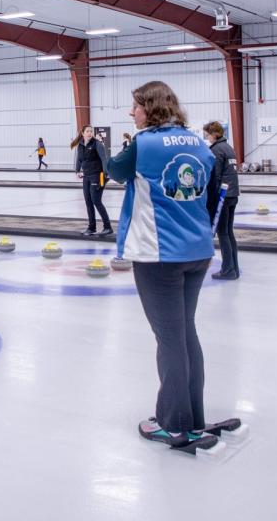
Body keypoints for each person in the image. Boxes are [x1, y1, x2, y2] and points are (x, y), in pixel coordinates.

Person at [107, 80, 217, 453]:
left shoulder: (142, 143)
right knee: (186, 334)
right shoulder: (198, 141)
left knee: (170, 340)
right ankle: (192, 416)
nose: (131, 112)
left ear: (150, 108)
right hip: (197, 250)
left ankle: (173, 424)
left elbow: (114, 171)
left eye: (135, 106)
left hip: (159, 255)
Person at [204, 121, 240, 280]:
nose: (206, 137)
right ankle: (234, 268)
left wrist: (209, 200)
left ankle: (227, 270)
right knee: (229, 233)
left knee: (223, 233)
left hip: (223, 196)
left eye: (207, 134)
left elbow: (215, 177)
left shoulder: (216, 150)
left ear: (214, 134)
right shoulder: (229, 148)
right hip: (233, 195)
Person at [72, 125, 112, 237]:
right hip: (86, 176)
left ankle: (108, 227)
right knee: (88, 202)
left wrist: (106, 174)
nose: (89, 133)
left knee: (96, 201)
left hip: (97, 176)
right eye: (87, 131)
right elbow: (79, 159)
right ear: (83, 133)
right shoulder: (80, 145)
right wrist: (77, 170)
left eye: (91, 131)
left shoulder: (97, 144)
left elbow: (104, 159)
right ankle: (91, 227)